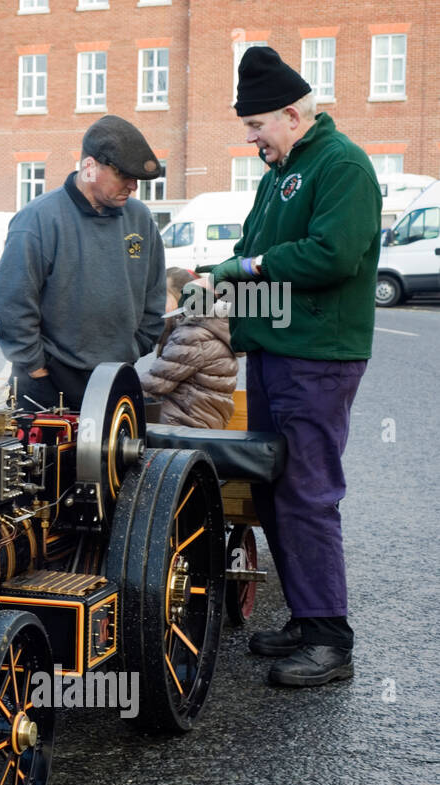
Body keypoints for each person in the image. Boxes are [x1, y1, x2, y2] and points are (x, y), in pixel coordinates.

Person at [212, 46, 379, 687]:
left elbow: (331, 255)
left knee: (307, 493)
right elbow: (251, 249)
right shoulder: (280, 170)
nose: (252, 139)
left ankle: (331, 640)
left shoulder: (343, 166)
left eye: (256, 127)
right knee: (270, 487)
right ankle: (307, 622)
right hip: (276, 352)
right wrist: (203, 292)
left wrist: (247, 270)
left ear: (290, 113)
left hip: (318, 357)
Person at [0, 115, 166, 410]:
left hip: (115, 379)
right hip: (46, 386)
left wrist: (133, 349)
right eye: (124, 175)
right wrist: (37, 369)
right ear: (89, 166)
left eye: (136, 178)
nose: (133, 186)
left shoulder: (140, 219)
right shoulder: (38, 219)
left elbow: (154, 296)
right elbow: (11, 304)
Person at [139, 267, 238, 429]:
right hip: (200, 419)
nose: (154, 305)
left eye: (162, 297)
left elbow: (155, 384)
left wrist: (115, 390)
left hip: (186, 422)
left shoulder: (192, 335)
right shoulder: (206, 326)